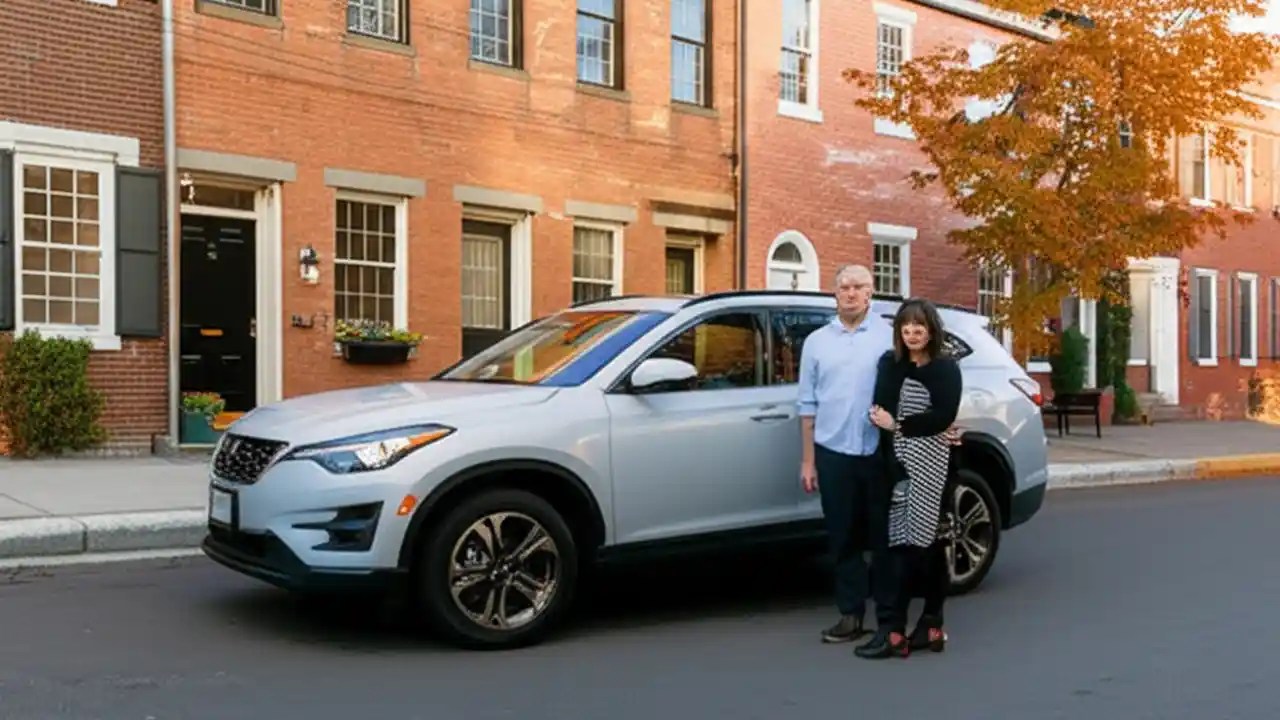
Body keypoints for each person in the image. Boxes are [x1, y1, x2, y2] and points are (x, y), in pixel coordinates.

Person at [856, 298, 963, 659]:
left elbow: (943, 416)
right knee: (899, 547)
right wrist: (887, 423)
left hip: (930, 463)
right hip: (893, 462)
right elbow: (878, 409)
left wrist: (899, 425)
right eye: (907, 327)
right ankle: (908, 629)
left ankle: (919, 626)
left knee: (923, 546)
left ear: (932, 330)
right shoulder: (890, 364)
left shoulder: (945, 369)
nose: (913, 333)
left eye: (920, 327)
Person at [797, 264, 895, 643]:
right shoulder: (817, 342)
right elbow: (807, 404)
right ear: (834, 293)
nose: (851, 293)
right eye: (844, 287)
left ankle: (888, 619)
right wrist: (808, 460)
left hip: (878, 452)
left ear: (871, 293)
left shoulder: (889, 338)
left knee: (884, 539)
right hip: (833, 451)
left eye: (859, 287)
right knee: (843, 538)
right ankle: (851, 615)